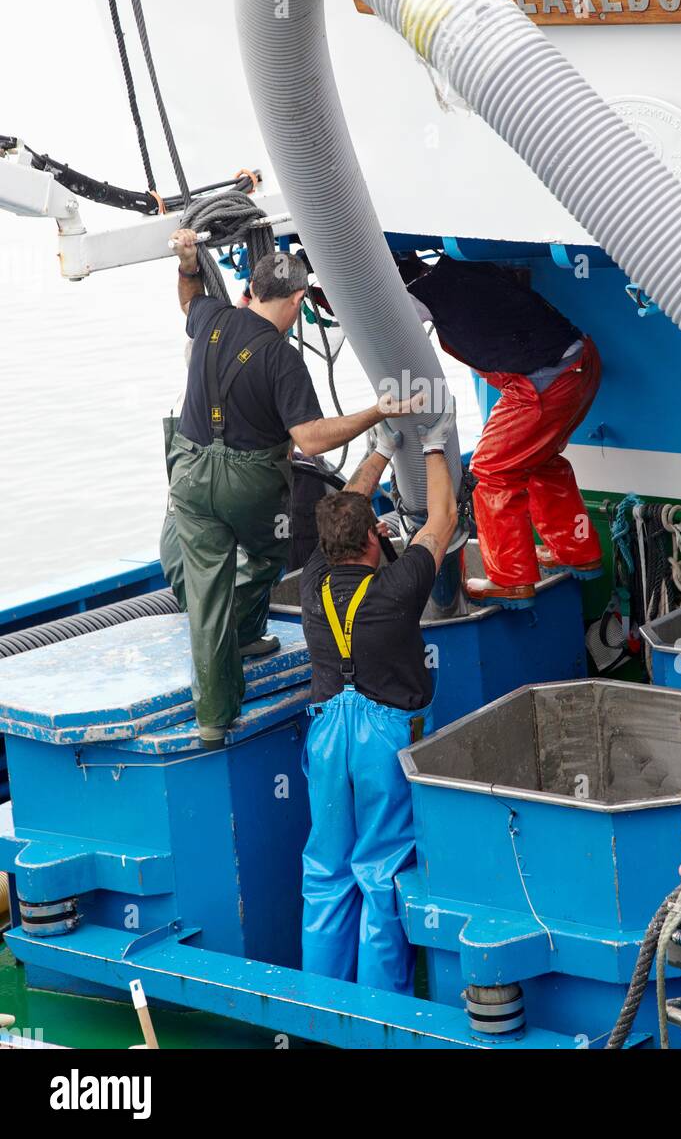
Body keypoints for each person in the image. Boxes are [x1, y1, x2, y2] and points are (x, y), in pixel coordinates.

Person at [170, 229, 423, 748]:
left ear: (253, 289)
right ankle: (241, 634)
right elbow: (309, 437)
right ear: (299, 299)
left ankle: (213, 721)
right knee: (272, 550)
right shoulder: (283, 358)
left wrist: (189, 265)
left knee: (206, 586)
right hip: (247, 484)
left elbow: (189, 300)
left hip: (188, 475)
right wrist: (380, 411)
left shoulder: (214, 317)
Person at [299, 398, 458, 994]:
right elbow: (439, 518)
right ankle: (377, 1017)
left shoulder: (315, 577)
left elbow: (347, 510)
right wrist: (437, 444)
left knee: (326, 870)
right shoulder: (397, 586)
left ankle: (323, 1006)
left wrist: (382, 449)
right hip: (383, 738)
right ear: (374, 537)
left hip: (324, 735)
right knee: (382, 872)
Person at [400, 254, 602, 603]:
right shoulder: (467, 266)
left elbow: (382, 317)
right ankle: (576, 549)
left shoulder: (421, 293)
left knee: (490, 472)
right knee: (538, 460)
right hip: (582, 363)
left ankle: (510, 580)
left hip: (544, 385)